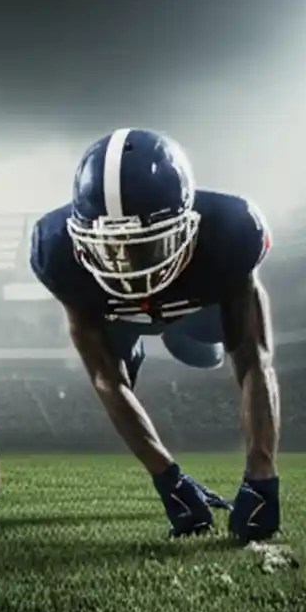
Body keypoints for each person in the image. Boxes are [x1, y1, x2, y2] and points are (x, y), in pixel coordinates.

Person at [30, 128, 281, 540]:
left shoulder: (231, 230)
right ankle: (145, 339)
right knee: (120, 366)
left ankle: (176, 335)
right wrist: (169, 479)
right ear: (81, 237)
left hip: (195, 311)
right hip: (119, 319)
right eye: (111, 247)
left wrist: (262, 474)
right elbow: (105, 379)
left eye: (145, 246)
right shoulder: (56, 252)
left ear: (189, 225)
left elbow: (255, 360)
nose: (127, 267)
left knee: (205, 352)